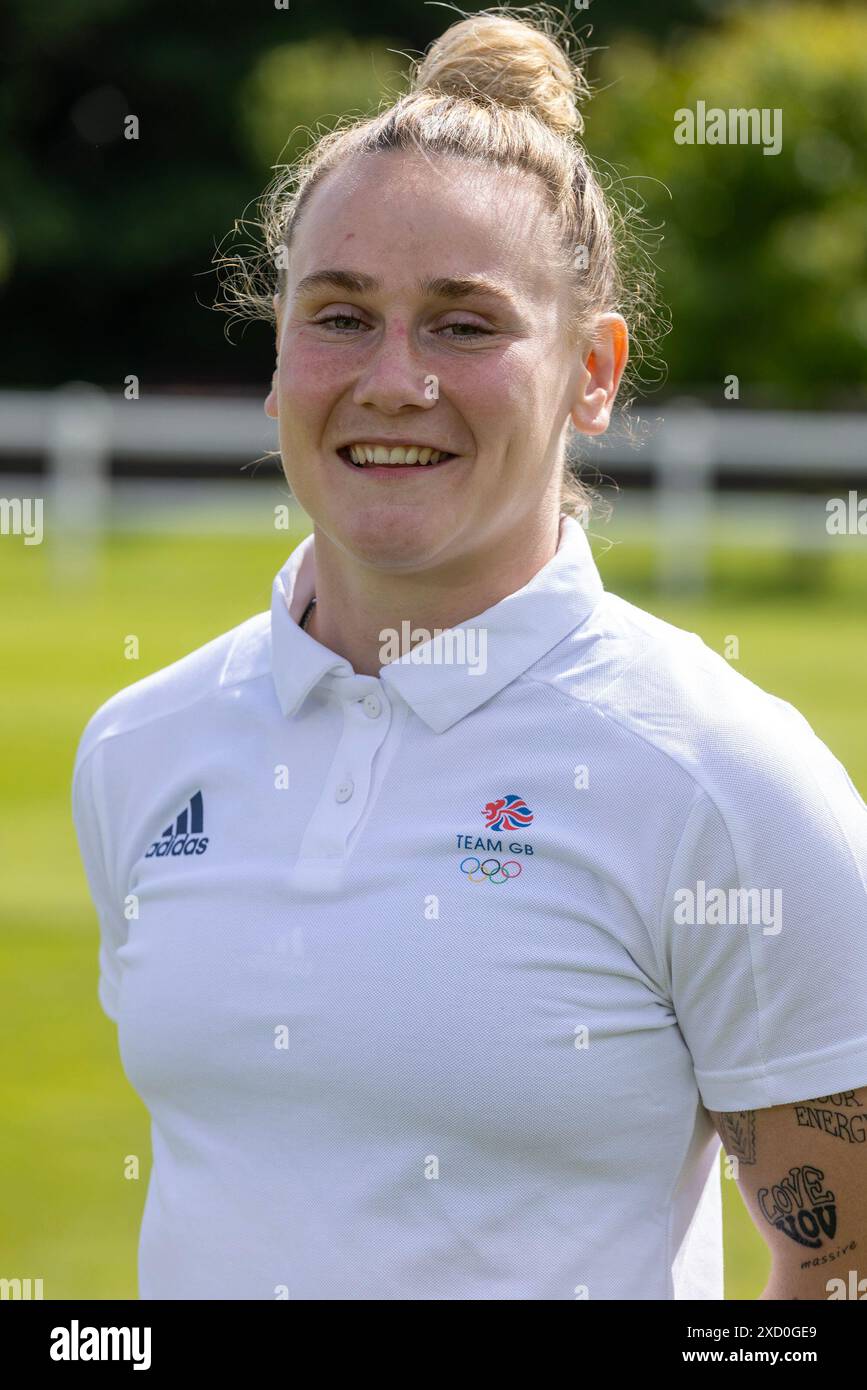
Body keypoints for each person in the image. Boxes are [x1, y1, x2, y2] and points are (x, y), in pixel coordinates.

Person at [72, 6, 867, 1300]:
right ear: (278, 352)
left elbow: (846, 1262)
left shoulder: (727, 777)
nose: (394, 379)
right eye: (340, 315)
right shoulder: (142, 745)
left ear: (593, 373)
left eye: (463, 324)